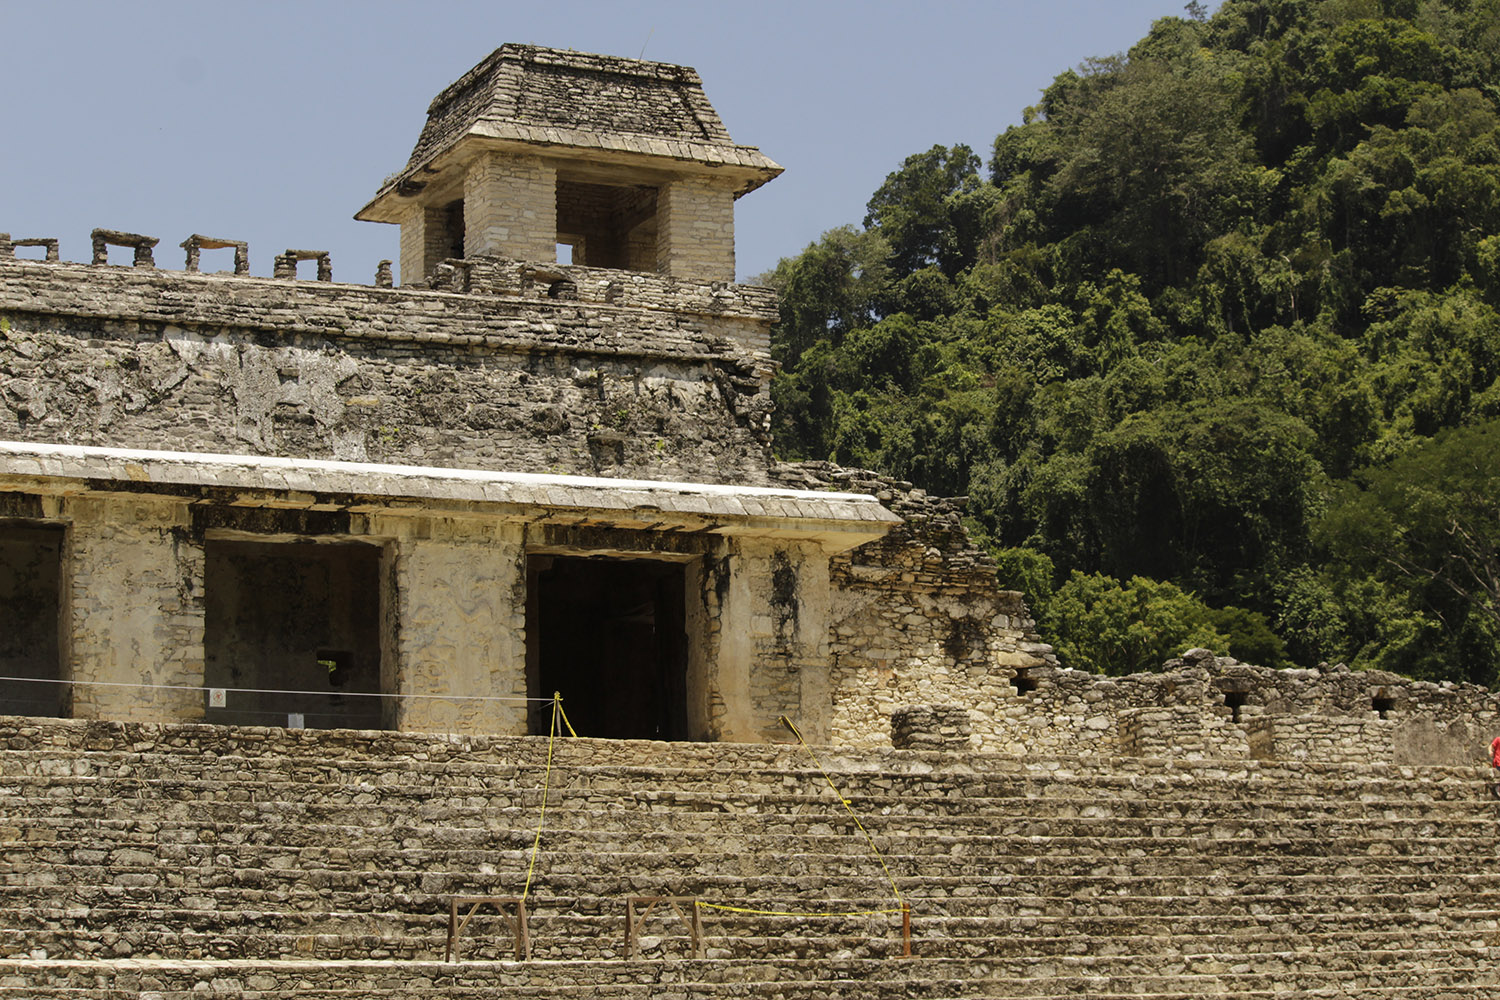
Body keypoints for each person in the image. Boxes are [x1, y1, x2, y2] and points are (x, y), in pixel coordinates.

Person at [1491, 735, 1500, 800]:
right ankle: (1498, 788)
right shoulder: (1498, 739)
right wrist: (1490, 751)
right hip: (1498, 761)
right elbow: (1491, 746)